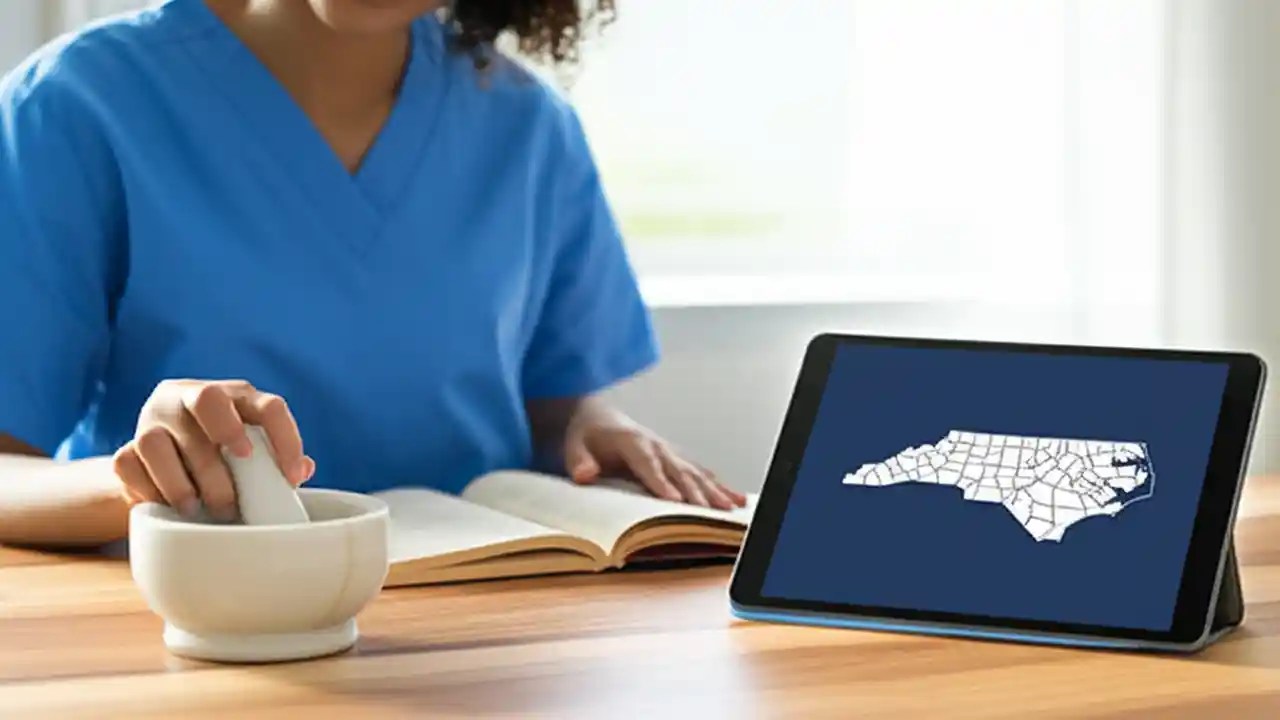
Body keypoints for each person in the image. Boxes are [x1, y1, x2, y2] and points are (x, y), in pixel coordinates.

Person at [0, 0, 745, 548]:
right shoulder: (72, 109)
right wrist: (144, 477)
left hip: (485, 631)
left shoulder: (530, 125)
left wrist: (590, 426)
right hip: (204, 626)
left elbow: (551, 406)